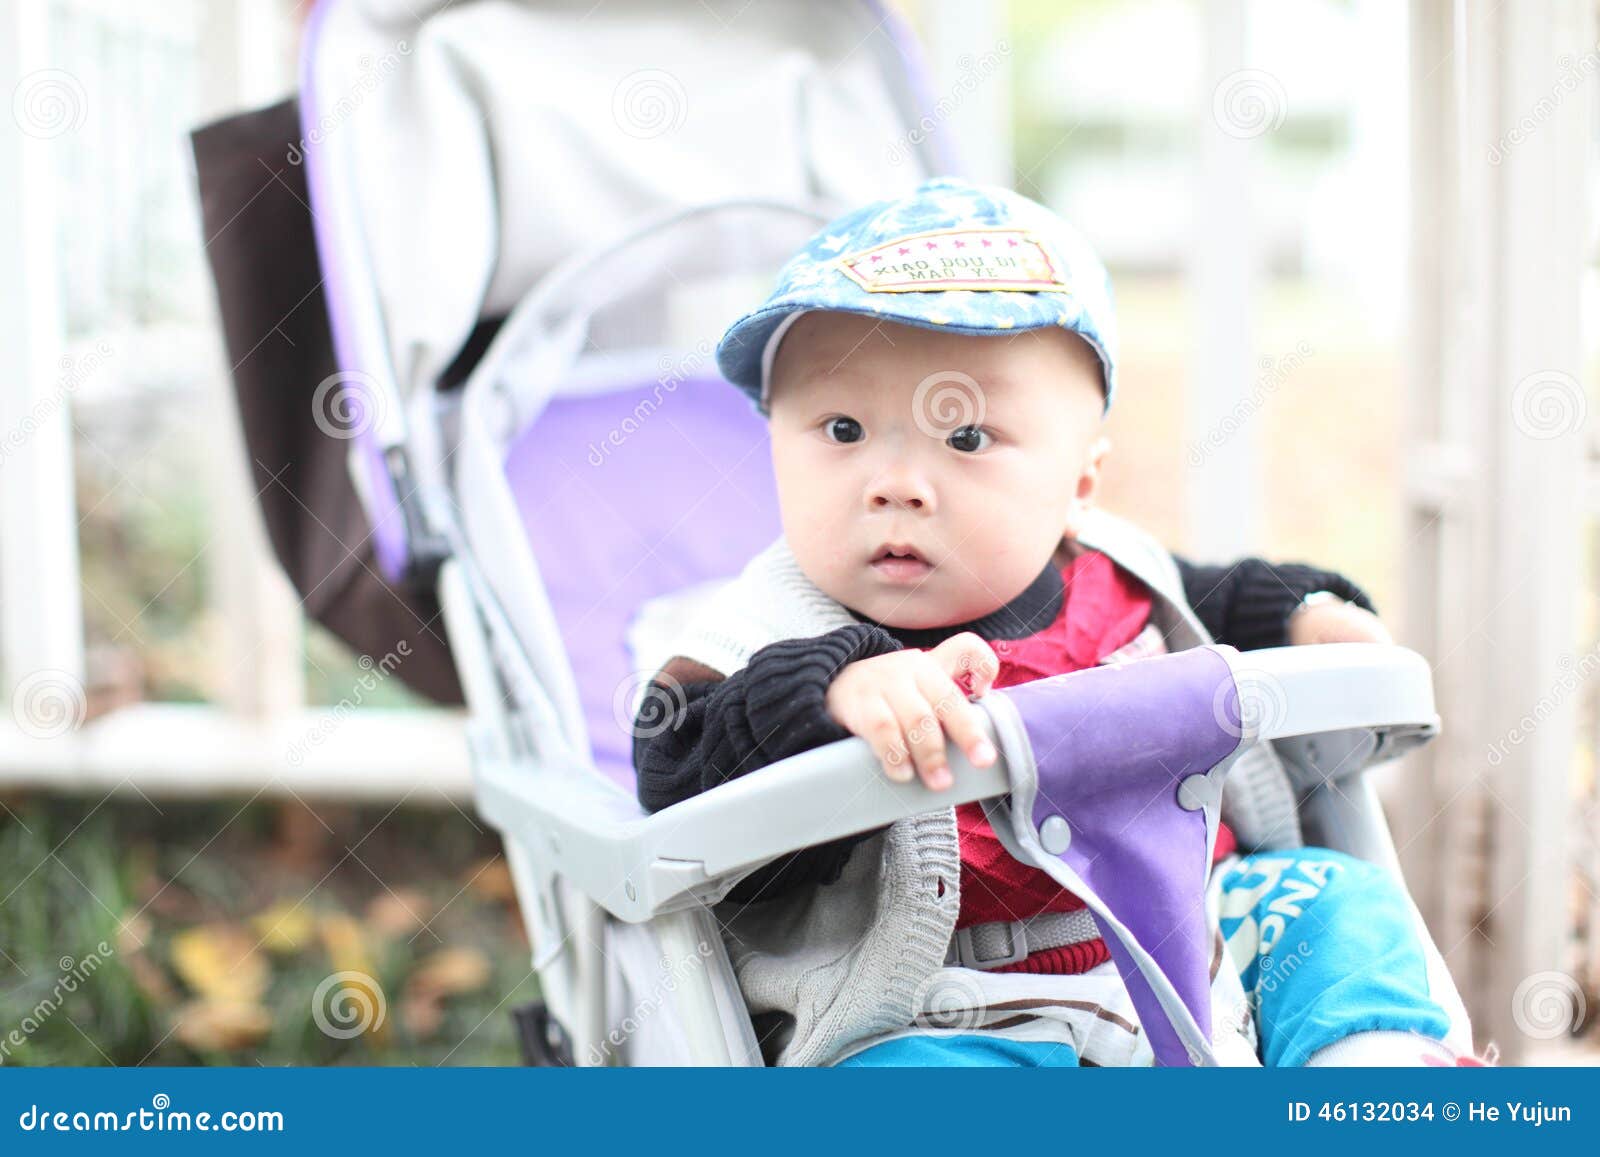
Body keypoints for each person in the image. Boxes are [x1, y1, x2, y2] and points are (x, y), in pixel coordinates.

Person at [633, 177, 1488, 1068]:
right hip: (946, 1011)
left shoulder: (1119, 570)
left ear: (1080, 484)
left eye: (965, 438)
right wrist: (823, 697)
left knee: (1337, 899)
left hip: (1202, 937)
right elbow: (673, 769)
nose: (893, 481)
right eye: (841, 428)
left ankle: (1362, 1070)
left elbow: (1232, 597)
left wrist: (1308, 616)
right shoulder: (763, 634)